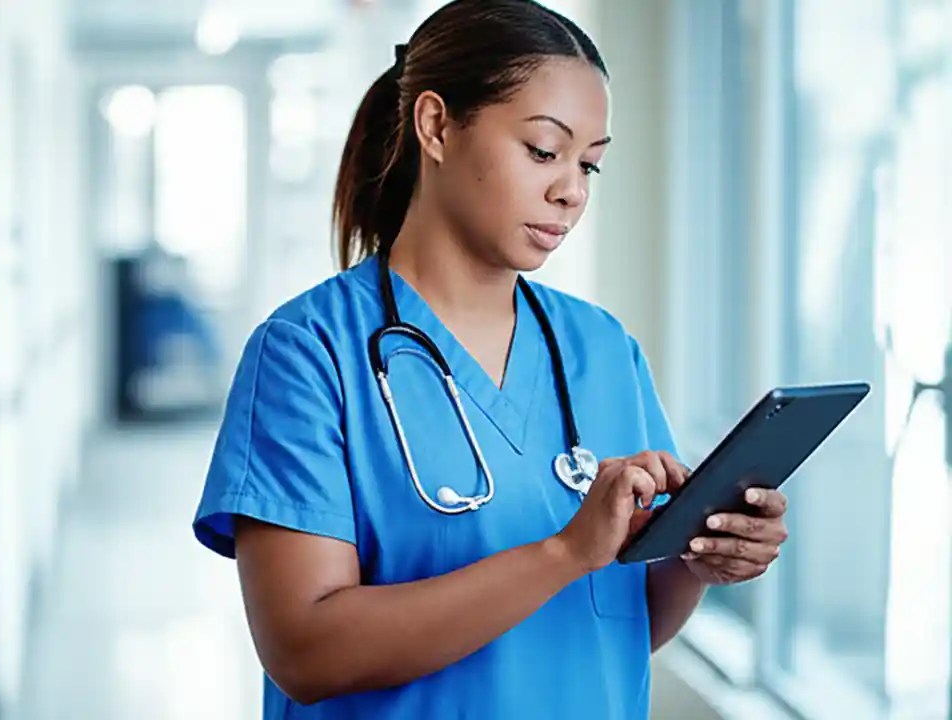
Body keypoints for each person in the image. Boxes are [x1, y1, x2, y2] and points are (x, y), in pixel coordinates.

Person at [192, 1, 789, 717]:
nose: (571, 190)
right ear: (436, 127)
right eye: (543, 150)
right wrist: (562, 553)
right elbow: (306, 651)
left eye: (589, 164)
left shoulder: (603, 350)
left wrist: (697, 561)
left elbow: (618, 629)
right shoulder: (308, 353)